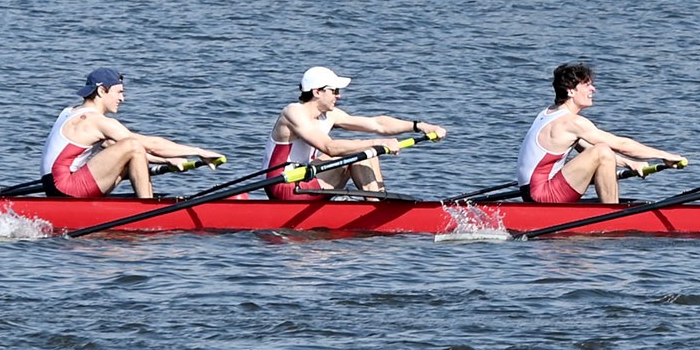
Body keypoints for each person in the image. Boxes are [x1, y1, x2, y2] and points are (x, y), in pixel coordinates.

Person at [265, 66, 446, 200]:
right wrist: (377, 144)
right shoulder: (294, 112)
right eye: (334, 90)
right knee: (365, 153)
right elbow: (330, 147)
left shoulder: (330, 115)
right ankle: (378, 209)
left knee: (367, 153)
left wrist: (420, 126)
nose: (339, 96)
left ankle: (378, 202)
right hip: (284, 186)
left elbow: (378, 124)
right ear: (317, 92)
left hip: (304, 179)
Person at [41, 68, 224, 199]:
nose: (123, 98)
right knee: (133, 145)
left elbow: (113, 149)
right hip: (67, 188)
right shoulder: (95, 121)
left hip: (54, 186)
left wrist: (167, 161)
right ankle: (147, 207)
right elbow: (150, 145)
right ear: (101, 90)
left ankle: (145, 201)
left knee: (126, 149)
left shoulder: (69, 111)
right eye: (119, 92)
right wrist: (199, 151)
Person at [518, 62, 684, 203]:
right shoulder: (572, 122)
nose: (593, 89)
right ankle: (611, 214)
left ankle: (608, 208)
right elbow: (622, 145)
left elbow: (586, 148)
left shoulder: (548, 113)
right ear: (571, 91)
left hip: (530, 191)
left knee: (599, 151)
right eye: (587, 84)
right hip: (542, 195)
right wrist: (665, 155)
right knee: (602, 150)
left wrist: (630, 163)